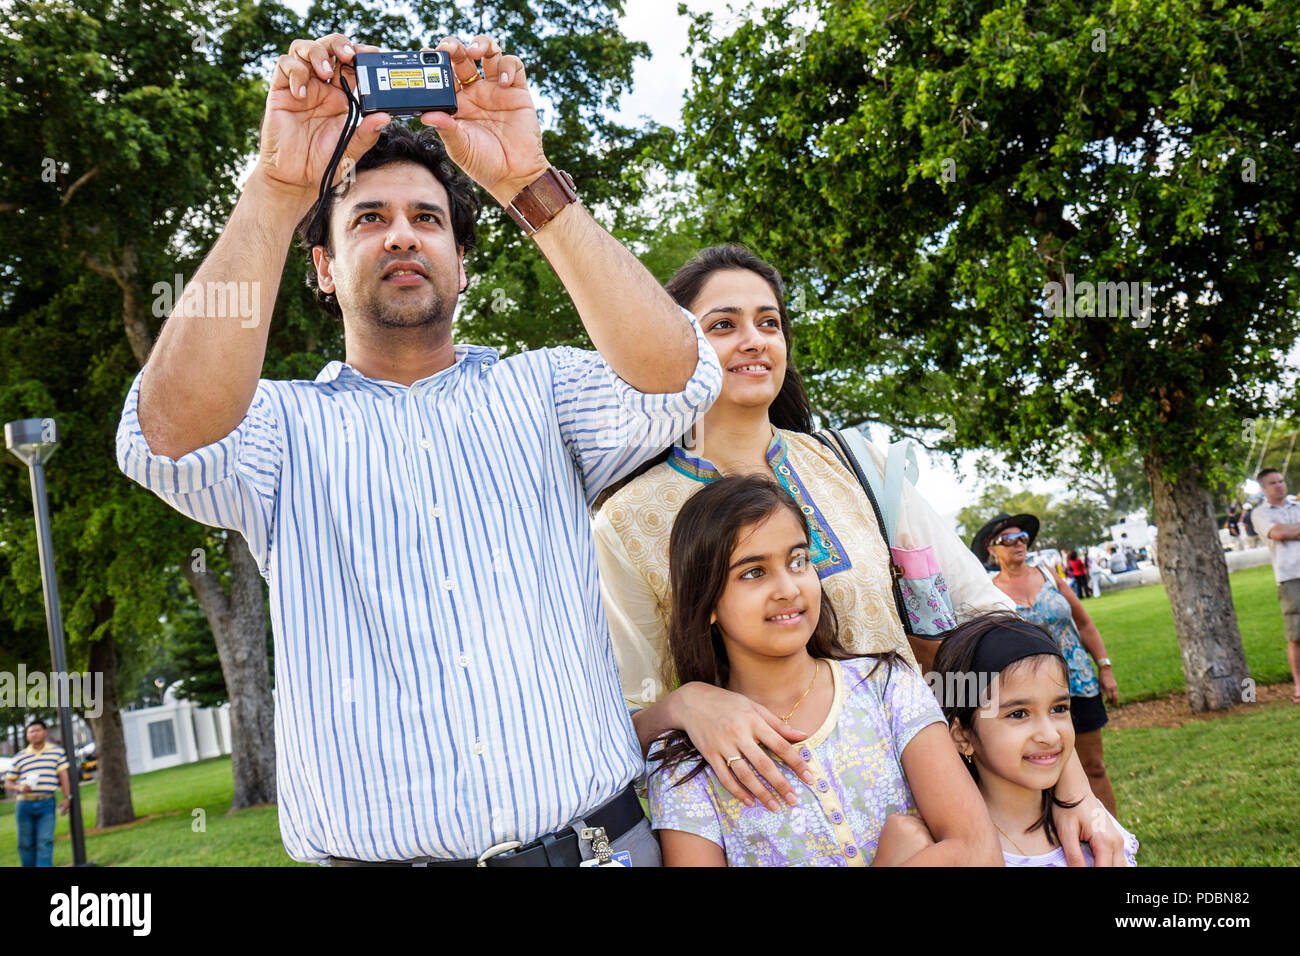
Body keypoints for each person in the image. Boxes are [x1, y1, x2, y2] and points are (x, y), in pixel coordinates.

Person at [116, 32, 723, 866]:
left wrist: (523, 181)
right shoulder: (278, 431)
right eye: (369, 218)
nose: (402, 235)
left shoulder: (544, 391)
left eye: (427, 219)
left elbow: (679, 380)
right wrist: (279, 186)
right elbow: (163, 439)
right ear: (323, 269)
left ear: (462, 262)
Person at [593, 246, 1126, 863]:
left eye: (769, 322)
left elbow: (985, 627)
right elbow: (621, 719)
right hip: (773, 828)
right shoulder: (626, 520)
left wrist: (1071, 789)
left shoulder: (858, 465)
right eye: (723, 325)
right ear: (674, 346)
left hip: (951, 819)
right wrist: (686, 703)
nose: (754, 340)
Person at [645, 476, 1001, 866]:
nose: (788, 588)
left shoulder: (885, 687)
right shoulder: (686, 761)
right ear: (706, 600)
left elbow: (978, 852)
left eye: (798, 561)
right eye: (753, 572)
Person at [934, 613, 1138, 866]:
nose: (1050, 735)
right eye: (1018, 714)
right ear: (962, 735)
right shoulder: (953, 853)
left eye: (1059, 708)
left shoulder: (1095, 827)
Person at [973, 513, 1121, 817]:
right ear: (992, 549)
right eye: (1009, 540)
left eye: (1023, 538)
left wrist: (1104, 667)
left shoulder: (1049, 576)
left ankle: (1114, 840)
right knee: (1044, 777)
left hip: (1079, 683)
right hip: (1028, 695)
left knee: (1093, 766)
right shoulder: (988, 591)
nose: (1019, 544)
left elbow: (1084, 623)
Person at [1249, 469, 1300, 703]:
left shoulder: (1296, 508)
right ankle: (1299, 686)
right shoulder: (1259, 514)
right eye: (1273, 483)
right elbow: (1277, 533)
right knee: (1296, 634)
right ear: (1263, 489)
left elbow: (1286, 531)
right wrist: (1287, 531)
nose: (1279, 486)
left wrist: (1292, 531)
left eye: (1281, 481)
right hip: (1290, 577)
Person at [5, 720, 72, 867]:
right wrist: (19, 788)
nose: (34, 734)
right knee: (25, 843)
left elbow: (64, 776)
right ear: (27, 735)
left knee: (45, 842)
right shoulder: (20, 756)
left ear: (45, 732)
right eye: (31, 731)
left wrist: (67, 797)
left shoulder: (57, 752)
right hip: (24, 804)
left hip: (47, 803)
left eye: (37, 730)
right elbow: (8, 782)